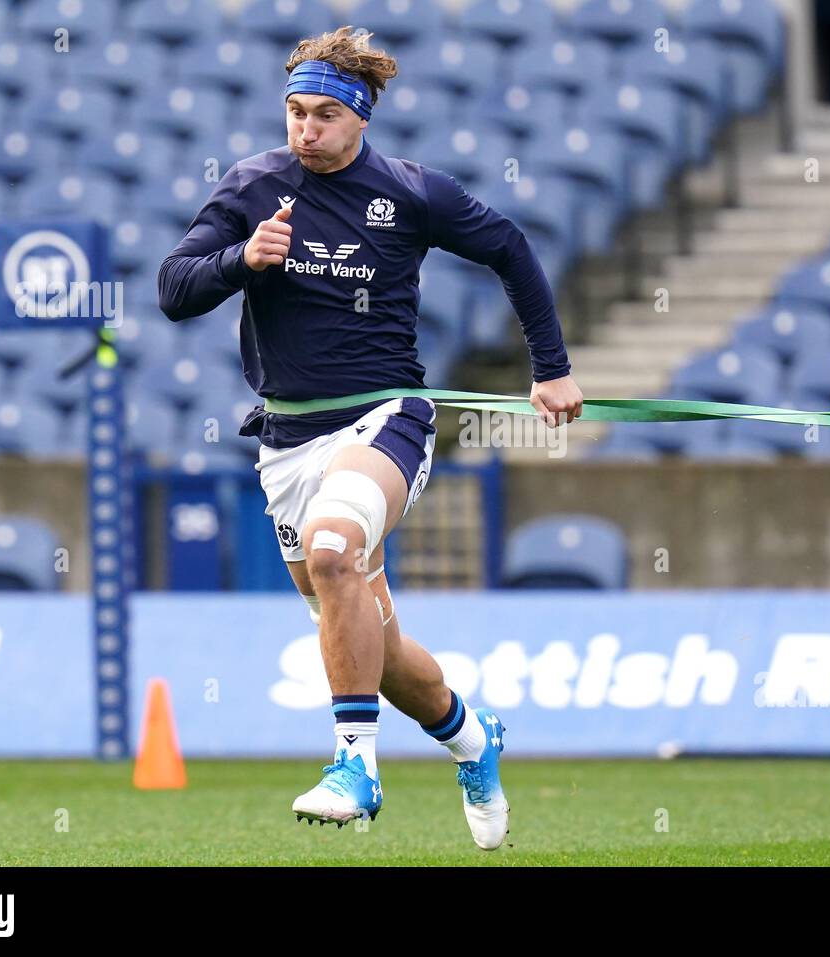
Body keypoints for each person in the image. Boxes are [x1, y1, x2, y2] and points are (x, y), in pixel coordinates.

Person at [158, 26, 583, 848]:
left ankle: (355, 765)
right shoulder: (253, 188)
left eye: (322, 115)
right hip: (286, 440)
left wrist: (552, 366)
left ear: (360, 119)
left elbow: (510, 248)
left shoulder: (410, 192)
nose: (304, 130)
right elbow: (173, 288)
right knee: (377, 650)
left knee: (330, 552)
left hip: (384, 417)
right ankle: (471, 736)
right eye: (293, 113)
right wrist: (242, 260)